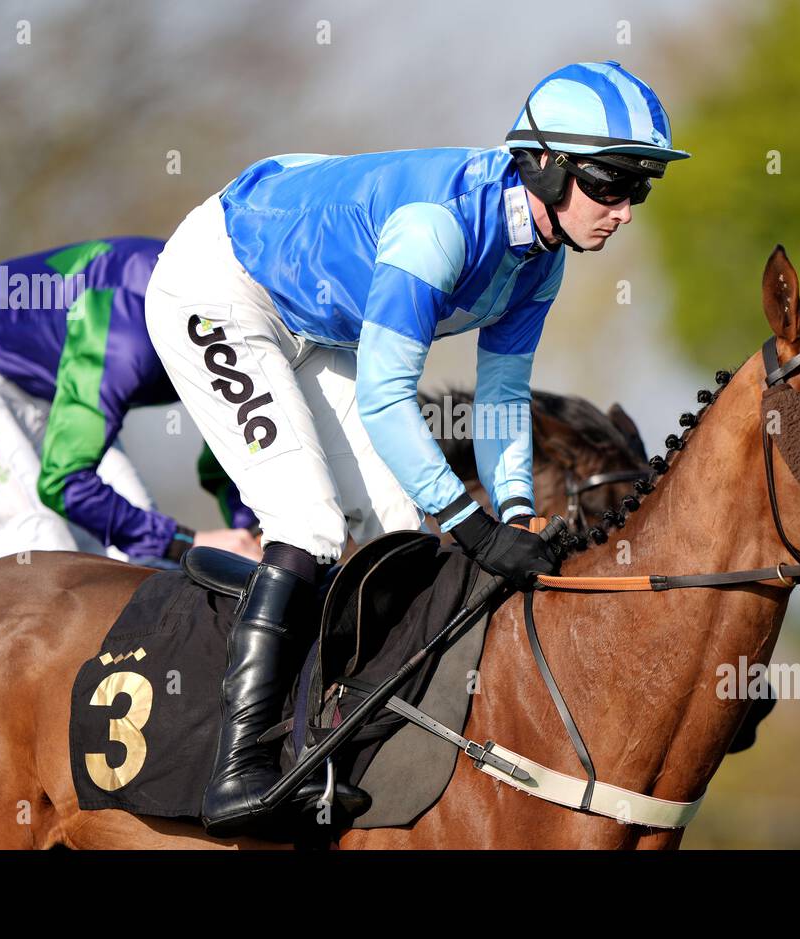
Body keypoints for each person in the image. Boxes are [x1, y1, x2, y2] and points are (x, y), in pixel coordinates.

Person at [143, 60, 689, 834]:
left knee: (400, 533)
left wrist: (518, 512)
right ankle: (236, 770)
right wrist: (473, 525)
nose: (625, 210)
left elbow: (500, 397)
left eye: (640, 188)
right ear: (545, 166)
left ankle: (336, 736)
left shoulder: (541, 257)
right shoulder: (440, 229)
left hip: (318, 318)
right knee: (307, 521)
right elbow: (386, 398)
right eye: (610, 184)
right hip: (221, 288)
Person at [0, 237, 261, 565]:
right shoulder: (127, 342)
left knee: (142, 556)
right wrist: (188, 542)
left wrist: (257, 537)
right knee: (41, 548)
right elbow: (64, 481)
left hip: (54, 380)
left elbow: (234, 446)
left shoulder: (238, 325)